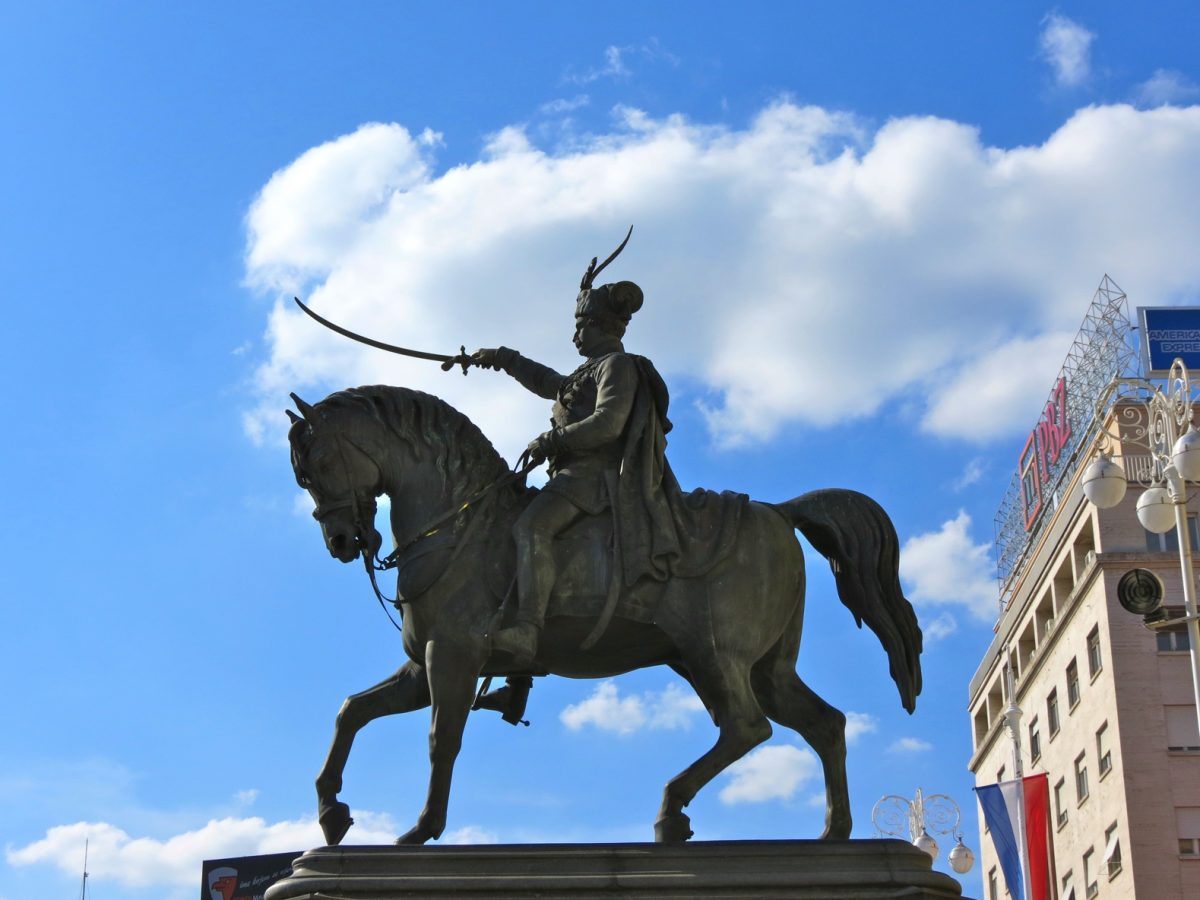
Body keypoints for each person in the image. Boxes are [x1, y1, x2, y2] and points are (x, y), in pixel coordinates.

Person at [470, 278, 650, 665]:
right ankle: (518, 677)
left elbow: (609, 423)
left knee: (531, 528)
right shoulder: (587, 373)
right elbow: (547, 382)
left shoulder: (617, 366)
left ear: (604, 326)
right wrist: (502, 357)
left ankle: (528, 630)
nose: (574, 337)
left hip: (592, 479)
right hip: (569, 478)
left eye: (581, 327)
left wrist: (552, 442)